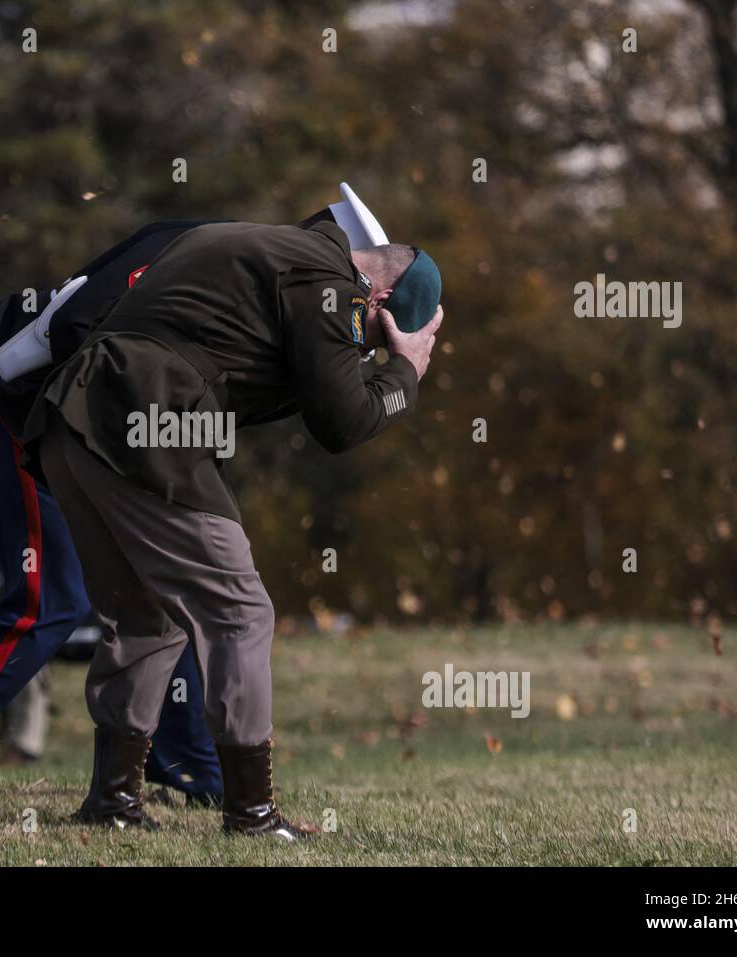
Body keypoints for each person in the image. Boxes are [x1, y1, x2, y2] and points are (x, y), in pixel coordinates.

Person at [24, 220, 444, 840]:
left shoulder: (261, 247)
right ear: (378, 305)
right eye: (372, 341)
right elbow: (343, 422)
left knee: (146, 617)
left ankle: (113, 801)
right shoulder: (333, 285)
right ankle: (251, 814)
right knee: (240, 615)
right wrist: (404, 371)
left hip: (74, 419)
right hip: (149, 422)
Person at [0, 219, 231, 809]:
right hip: (21, 404)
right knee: (49, 600)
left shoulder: (227, 264)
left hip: (85, 422)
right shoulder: (208, 252)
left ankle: (187, 768)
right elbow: (74, 321)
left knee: (162, 589)